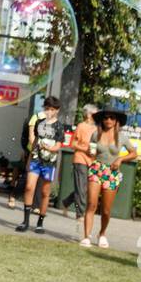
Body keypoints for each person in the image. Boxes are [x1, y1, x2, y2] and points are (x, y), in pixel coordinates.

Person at [81, 109, 139, 246]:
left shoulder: (122, 137)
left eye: (112, 118)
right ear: (102, 120)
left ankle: (102, 234)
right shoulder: (96, 134)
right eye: (106, 118)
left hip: (112, 174)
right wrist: (90, 153)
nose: (108, 120)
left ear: (116, 121)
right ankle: (86, 236)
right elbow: (92, 152)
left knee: (106, 210)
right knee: (91, 204)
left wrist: (120, 159)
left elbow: (134, 153)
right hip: (96, 169)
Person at [16, 96, 64, 233]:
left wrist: (49, 148)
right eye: (47, 109)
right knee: (29, 187)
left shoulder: (59, 126)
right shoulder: (39, 122)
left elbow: (59, 146)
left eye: (52, 109)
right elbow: (33, 138)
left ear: (57, 111)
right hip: (36, 159)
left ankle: (40, 222)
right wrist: (32, 150)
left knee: (45, 192)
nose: (49, 112)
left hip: (49, 162)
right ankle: (25, 221)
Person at [67, 104, 98, 218]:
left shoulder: (97, 128)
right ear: (88, 115)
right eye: (95, 113)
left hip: (92, 161)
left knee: (85, 189)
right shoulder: (81, 126)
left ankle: (66, 202)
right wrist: (85, 149)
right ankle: (80, 214)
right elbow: (73, 144)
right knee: (81, 187)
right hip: (80, 159)